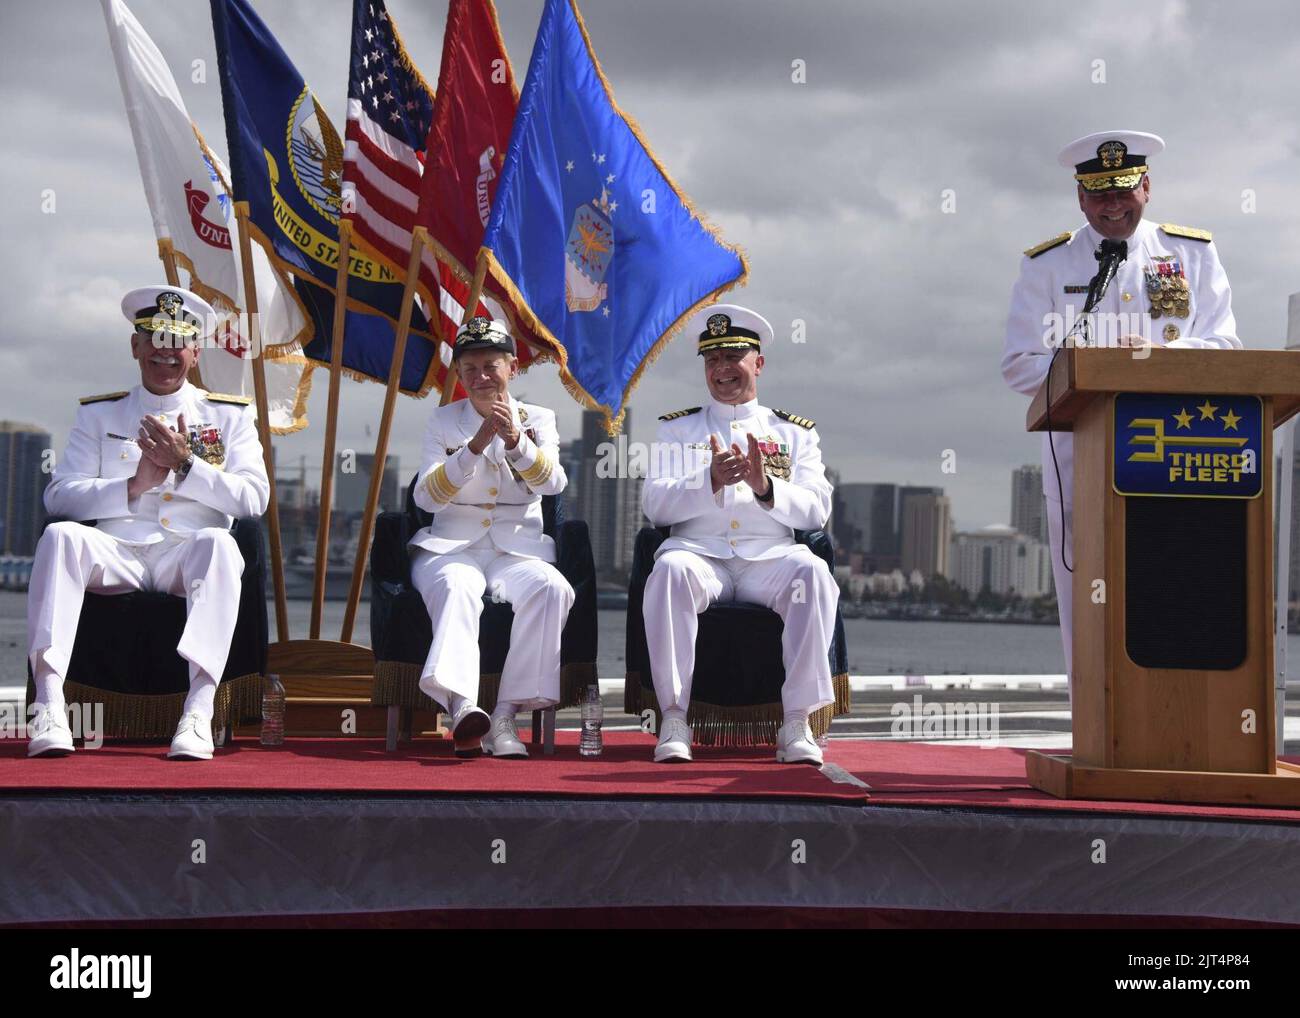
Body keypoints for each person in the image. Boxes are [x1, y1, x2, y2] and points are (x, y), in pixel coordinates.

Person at [1001, 131, 1241, 696]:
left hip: (1176, 457)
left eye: (1123, 191)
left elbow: (1226, 350)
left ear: (1147, 188)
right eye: (1098, 195)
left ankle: (1177, 725)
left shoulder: (1192, 254)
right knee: (1083, 597)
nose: (1112, 206)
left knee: (1176, 592)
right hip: (1080, 458)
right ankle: (1092, 725)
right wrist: (1092, 372)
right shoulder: (1047, 264)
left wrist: (1150, 362)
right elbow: (1017, 365)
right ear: (1080, 199)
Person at [26, 285, 269, 760]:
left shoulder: (229, 415)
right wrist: (132, 487)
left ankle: (198, 712)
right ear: (135, 346)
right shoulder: (100, 414)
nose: (165, 352)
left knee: (221, 545)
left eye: (176, 342)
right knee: (60, 537)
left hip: (185, 553)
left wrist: (186, 466)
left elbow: (253, 499)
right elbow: (58, 496)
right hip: (117, 552)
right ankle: (49, 704)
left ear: (195, 352)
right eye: (154, 339)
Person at [641, 303, 838, 765]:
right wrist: (707, 479)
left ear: (758, 363)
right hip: (699, 555)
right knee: (668, 569)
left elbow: (817, 511)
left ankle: (797, 723)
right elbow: (655, 506)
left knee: (811, 572)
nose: (722, 369)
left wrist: (765, 486)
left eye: (733, 357)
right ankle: (673, 717)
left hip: (766, 559)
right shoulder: (676, 430)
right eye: (712, 360)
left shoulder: (793, 433)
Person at [409, 316, 573, 759]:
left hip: (516, 549)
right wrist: (474, 447)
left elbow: (553, 483)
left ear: (512, 368)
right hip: (452, 547)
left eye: (490, 366)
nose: (480, 377)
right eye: (470, 369)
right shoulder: (443, 421)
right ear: (459, 375)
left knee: (551, 587)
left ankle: (505, 715)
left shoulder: (539, 418)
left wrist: (517, 441)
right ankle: (464, 709)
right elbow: (427, 497)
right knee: (457, 586)